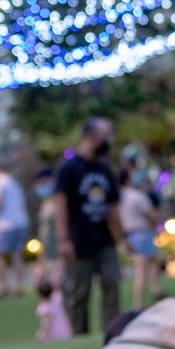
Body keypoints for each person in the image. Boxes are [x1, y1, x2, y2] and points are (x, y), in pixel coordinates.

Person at [52, 117, 123, 335]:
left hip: (104, 241)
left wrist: (121, 237)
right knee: (79, 295)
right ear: (91, 136)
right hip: (77, 242)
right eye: (106, 135)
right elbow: (60, 204)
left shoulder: (104, 169)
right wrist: (63, 239)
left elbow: (111, 206)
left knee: (112, 285)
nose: (109, 140)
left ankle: (112, 333)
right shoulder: (69, 168)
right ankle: (79, 337)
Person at [119, 164, 162, 310]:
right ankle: (137, 303)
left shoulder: (118, 197)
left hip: (128, 235)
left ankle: (155, 289)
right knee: (142, 268)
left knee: (152, 261)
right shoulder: (135, 196)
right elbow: (152, 214)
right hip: (141, 233)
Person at [0, 161, 30, 298]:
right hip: (22, 222)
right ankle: (20, 286)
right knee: (17, 255)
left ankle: (4, 287)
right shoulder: (13, 182)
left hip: (6, 224)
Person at [32, 167, 63, 287]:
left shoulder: (59, 202)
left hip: (60, 258)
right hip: (48, 257)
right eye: (38, 183)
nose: (40, 186)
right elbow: (44, 233)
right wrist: (41, 261)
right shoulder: (46, 203)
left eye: (43, 182)